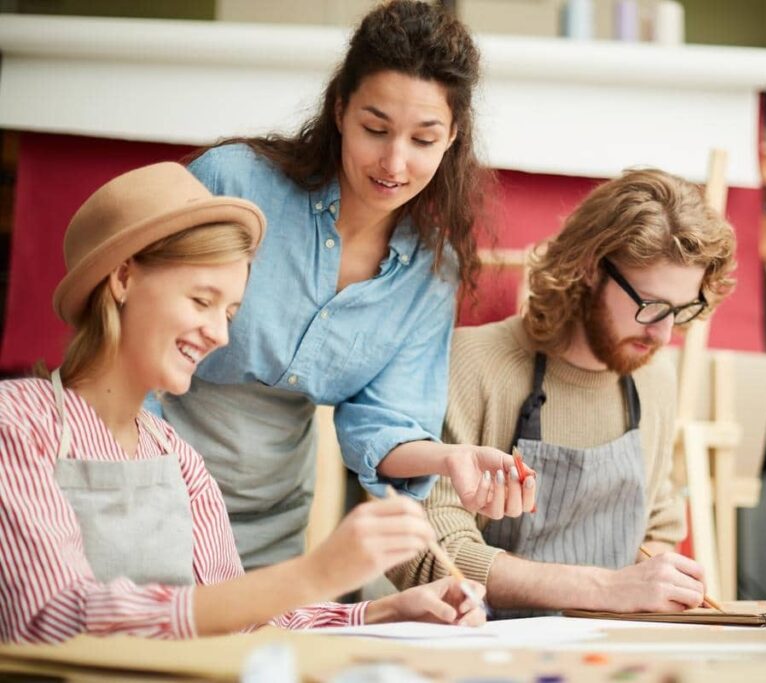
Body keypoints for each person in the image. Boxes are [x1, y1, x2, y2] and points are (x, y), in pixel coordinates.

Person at [0, 163, 485, 644]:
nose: (219, 334)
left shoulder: (177, 457)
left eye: (230, 312)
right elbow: (51, 617)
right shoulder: (17, 424)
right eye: (201, 300)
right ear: (124, 277)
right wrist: (315, 572)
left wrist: (387, 611)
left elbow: (237, 611)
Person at [158, 0, 532, 571]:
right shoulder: (232, 184)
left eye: (423, 140)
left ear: (453, 136)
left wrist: (451, 458)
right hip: (143, 483)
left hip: (267, 521)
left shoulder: (431, 271)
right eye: (374, 129)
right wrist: (136, 479)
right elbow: (130, 331)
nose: (394, 162)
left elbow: (383, 426)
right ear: (339, 109)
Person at [389, 169, 737, 616]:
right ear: (591, 268)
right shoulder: (473, 363)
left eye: (681, 309)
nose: (664, 334)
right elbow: (422, 547)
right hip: (486, 646)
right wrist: (599, 589)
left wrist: (657, 579)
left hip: (608, 648)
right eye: (650, 306)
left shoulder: (655, 379)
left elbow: (658, 523)